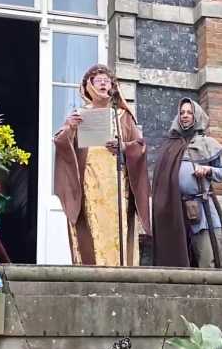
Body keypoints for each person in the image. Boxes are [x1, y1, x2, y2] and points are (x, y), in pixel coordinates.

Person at [53, 64, 151, 266]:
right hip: (89, 182)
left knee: (116, 226)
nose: (104, 85)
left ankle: (120, 267)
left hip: (117, 184)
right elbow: (62, 143)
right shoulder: (79, 115)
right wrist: (70, 127)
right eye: (99, 81)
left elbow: (140, 145)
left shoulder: (122, 115)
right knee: (92, 227)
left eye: (107, 81)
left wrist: (124, 147)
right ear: (89, 85)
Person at [152, 98, 222, 268]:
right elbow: (161, 179)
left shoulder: (208, 144)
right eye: (182, 113)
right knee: (179, 257)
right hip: (176, 210)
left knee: (209, 253)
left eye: (189, 112)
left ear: (196, 116)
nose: (185, 116)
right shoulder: (170, 145)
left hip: (202, 207)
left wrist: (208, 170)